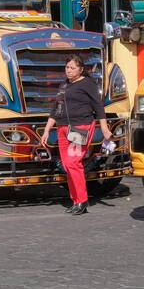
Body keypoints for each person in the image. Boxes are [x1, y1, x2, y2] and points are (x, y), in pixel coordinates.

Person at [41, 55, 113, 214]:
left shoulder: (87, 83)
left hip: (80, 126)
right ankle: (75, 200)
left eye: (72, 68)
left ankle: (82, 200)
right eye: (67, 67)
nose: (68, 70)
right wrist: (47, 130)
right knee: (67, 165)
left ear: (81, 69)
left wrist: (105, 128)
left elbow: (98, 106)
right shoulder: (64, 84)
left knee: (74, 163)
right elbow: (55, 109)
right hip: (62, 128)